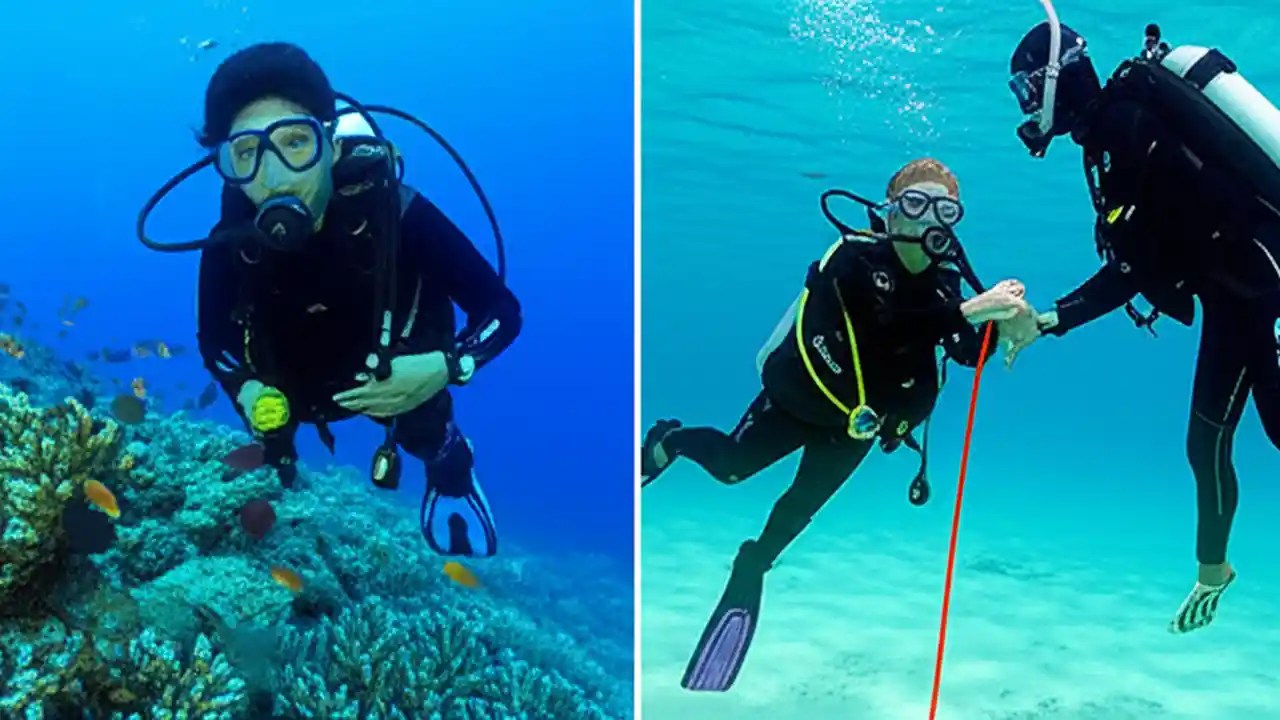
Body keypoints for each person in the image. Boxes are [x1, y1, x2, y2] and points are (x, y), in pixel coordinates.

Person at [640, 158, 1035, 691]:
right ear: (890, 211)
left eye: (944, 209)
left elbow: (964, 352)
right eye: (915, 203)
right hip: (799, 399)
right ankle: (667, 440)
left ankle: (753, 565)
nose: (928, 219)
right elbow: (882, 328)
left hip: (857, 425)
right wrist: (972, 310)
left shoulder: (947, 284)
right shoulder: (853, 257)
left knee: (796, 509)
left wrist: (1004, 325)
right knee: (732, 468)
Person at [139, 42, 521, 558]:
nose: (274, 176)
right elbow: (216, 343)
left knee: (427, 431)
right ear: (227, 165)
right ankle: (281, 461)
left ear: (331, 146)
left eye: (295, 142)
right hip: (293, 389)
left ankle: (450, 467)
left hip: (399, 378)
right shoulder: (229, 244)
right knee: (272, 441)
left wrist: (450, 366)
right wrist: (246, 390)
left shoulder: (399, 215)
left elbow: (501, 311)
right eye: (247, 153)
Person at [1002, 14, 1280, 633]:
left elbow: (1134, 267)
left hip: (1266, 283)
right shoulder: (1109, 135)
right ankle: (1213, 571)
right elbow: (1146, 255)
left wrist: (1048, 320)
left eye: (1027, 89)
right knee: (1207, 442)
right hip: (1236, 295)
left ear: (1055, 82)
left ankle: (1213, 568)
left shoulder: (1125, 129)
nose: (1025, 107)